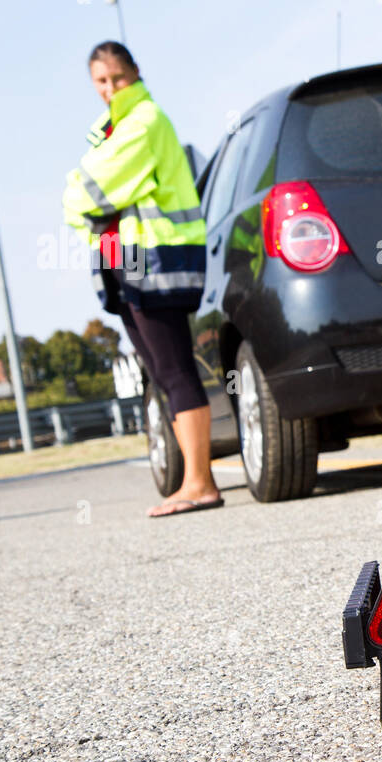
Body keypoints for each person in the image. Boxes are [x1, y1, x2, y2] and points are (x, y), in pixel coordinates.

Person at [63, 41, 221, 517]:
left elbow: (88, 191)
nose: (110, 88)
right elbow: (89, 195)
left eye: (118, 78)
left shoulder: (143, 122)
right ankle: (192, 481)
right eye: (101, 81)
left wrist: (75, 191)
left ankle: (201, 482)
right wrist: (81, 194)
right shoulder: (112, 129)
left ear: (135, 73)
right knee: (161, 373)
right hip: (130, 260)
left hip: (157, 260)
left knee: (175, 369)